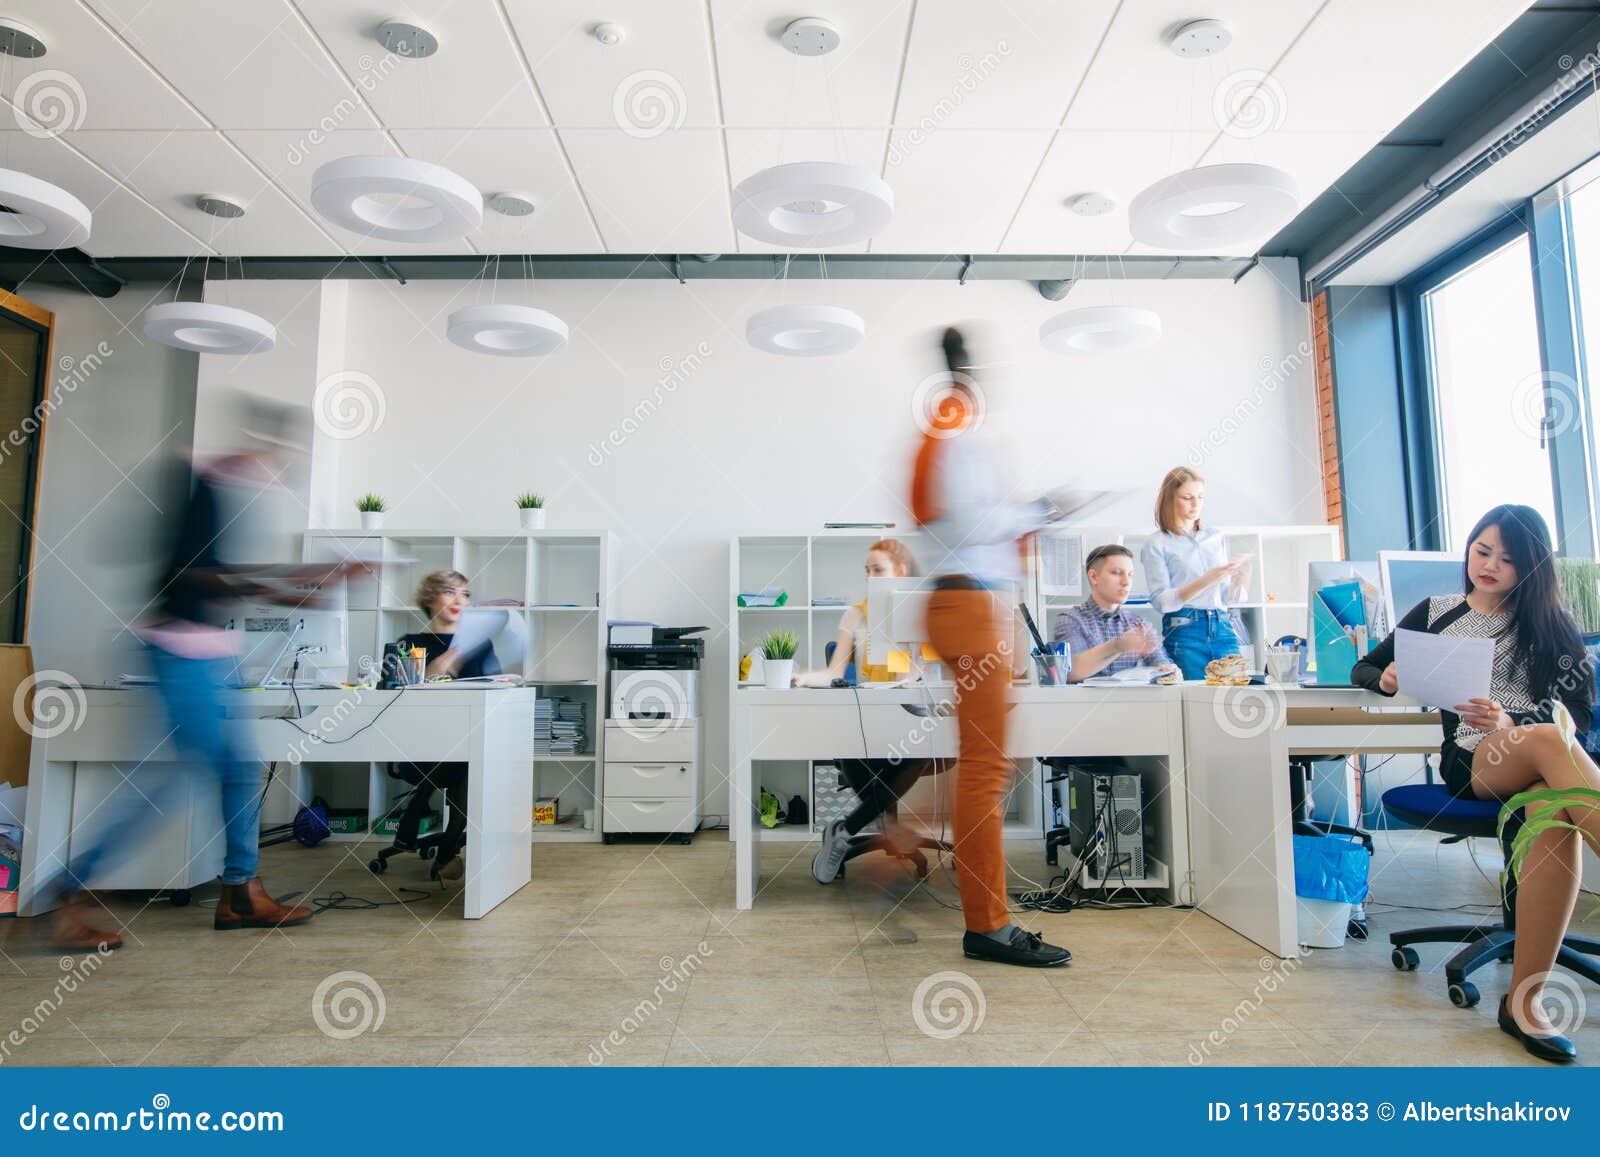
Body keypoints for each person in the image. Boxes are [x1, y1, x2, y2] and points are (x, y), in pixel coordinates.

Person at [45, 398, 348, 950]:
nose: (279, 470)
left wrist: (295, 587)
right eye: (279, 457)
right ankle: (71, 898)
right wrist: (293, 580)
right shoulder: (200, 486)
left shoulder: (224, 493)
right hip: (179, 652)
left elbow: (218, 577)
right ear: (259, 445)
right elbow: (191, 577)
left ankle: (240, 892)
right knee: (163, 782)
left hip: (208, 654)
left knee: (237, 768)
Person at [1353, 505, 1597, 1063]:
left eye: (1507, 560)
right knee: (1548, 743)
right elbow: (1364, 668)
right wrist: (1386, 677)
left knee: (1553, 816)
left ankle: (1524, 1004)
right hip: (1475, 762)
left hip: (1538, 762)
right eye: (1482, 551)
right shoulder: (1435, 612)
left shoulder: (1549, 624)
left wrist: (1514, 720)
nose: (1489, 566)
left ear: (1530, 569)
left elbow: (1579, 714)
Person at [911, 325, 1072, 968]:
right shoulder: (956, 440)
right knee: (985, 770)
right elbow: (969, 523)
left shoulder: (945, 442)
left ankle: (907, 829)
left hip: (971, 604)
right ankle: (988, 926)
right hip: (971, 605)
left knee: (979, 763)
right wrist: (1037, 509)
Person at [795, 539, 931, 884]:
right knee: (851, 746)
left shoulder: (922, 613)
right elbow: (834, 672)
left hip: (913, 720)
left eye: (879, 570)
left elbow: (911, 678)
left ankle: (845, 830)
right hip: (870, 721)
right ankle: (885, 825)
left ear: (900, 572)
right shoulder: (856, 614)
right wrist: (802, 677)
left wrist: (912, 647)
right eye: (867, 571)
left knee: (914, 752)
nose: (871, 577)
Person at [394, 569, 500, 885]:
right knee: (463, 763)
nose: (459, 600)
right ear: (430, 599)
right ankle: (440, 846)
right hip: (421, 746)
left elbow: (493, 692)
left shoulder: (480, 646)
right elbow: (399, 694)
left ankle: (435, 839)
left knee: (469, 761)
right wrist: (444, 663)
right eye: (450, 592)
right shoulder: (409, 644)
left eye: (465, 594)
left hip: (469, 740)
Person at [1141, 466, 1251, 681]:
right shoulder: (1157, 543)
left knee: (1233, 700)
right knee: (1193, 700)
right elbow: (1162, 602)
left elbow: (1227, 597)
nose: (1196, 504)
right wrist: (1205, 581)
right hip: (1185, 631)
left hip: (1222, 626)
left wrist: (1242, 576)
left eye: (1201, 497)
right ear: (1170, 499)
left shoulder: (1216, 537)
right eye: (1187, 497)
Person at [1054, 544, 1179, 683]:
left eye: (1130, 574)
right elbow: (1069, 671)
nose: (1126, 582)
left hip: (1127, 702)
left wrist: (1168, 669)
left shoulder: (1137, 623)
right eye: (1117, 573)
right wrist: (1118, 646)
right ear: (1094, 576)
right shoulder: (1071, 620)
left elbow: (1160, 661)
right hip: (1085, 703)